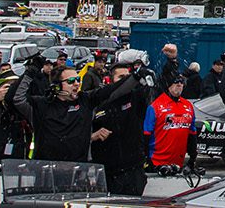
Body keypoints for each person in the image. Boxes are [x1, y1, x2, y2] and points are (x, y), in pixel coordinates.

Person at [12, 60, 140, 163]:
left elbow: (112, 91)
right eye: (71, 81)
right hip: (47, 170)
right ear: (57, 85)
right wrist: (30, 73)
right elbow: (17, 99)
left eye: (78, 79)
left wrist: (136, 76)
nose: (76, 84)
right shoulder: (41, 104)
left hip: (78, 169)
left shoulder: (85, 100)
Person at [92, 53, 156, 195]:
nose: (127, 82)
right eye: (121, 78)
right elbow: (83, 133)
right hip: (107, 171)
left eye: (128, 78)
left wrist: (171, 62)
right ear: (110, 80)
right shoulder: (98, 103)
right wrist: (93, 136)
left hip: (133, 169)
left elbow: (155, 91)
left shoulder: (136, 98)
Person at [145, 73, 199, 171]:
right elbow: (146, 134)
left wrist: (193, 157)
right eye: (175, 81)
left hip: (178, 163)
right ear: (168, 85)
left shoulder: (188, 105)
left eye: (182, 82)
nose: (179, 84)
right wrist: (146, 159)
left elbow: (192, 133)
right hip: (156, 163)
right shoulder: (155, 106)